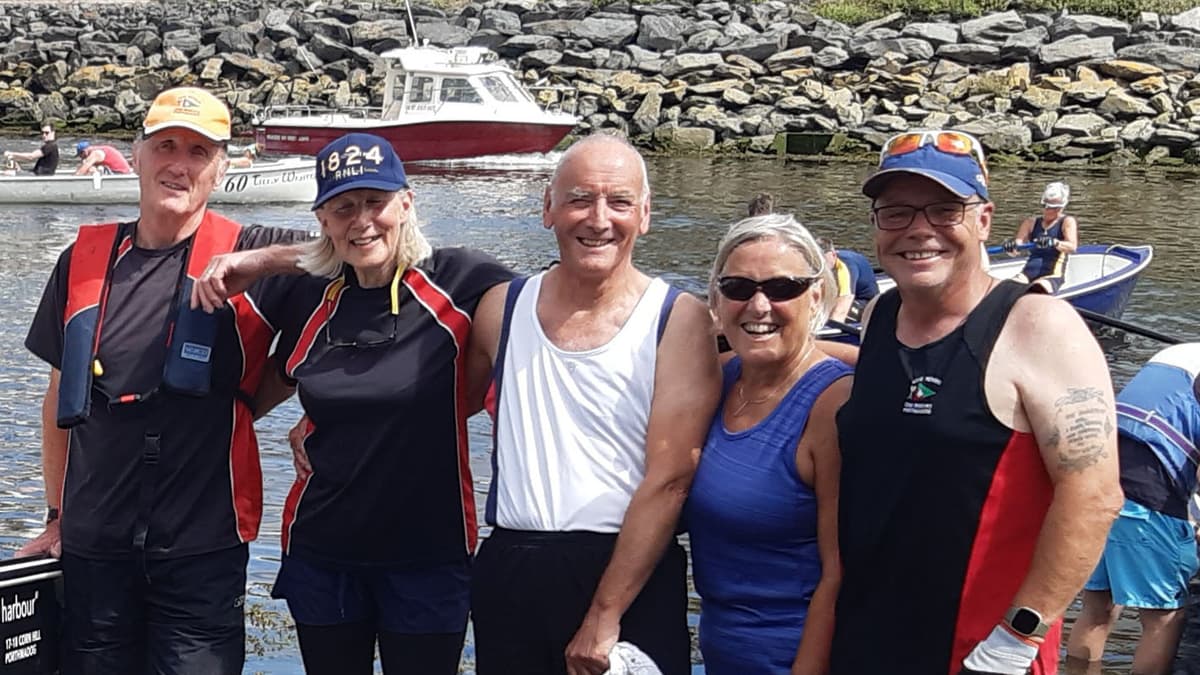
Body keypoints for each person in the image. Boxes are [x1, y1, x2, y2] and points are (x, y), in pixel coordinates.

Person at [191, 131, 515, 674]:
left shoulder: (460, 284)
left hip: (428, 556)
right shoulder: (318, 300)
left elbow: (550, 319)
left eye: (375, 203)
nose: (361, 220)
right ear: (322, 218)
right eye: (342, 207)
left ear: (406, 203)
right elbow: (261, 393)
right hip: (323, 553)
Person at [18, 86, 309, 675]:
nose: (179, 164)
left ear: (221, 167)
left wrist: (267, 396)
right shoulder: (82, 258)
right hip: (95, 543)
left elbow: (361, 260)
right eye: (166, 146)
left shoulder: (249, 254)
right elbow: (58, 398)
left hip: (202, 547)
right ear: (139, 152)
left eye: (199, 152)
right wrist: (56, 516)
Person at [832, 129, 1122, 675]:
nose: (919, 230)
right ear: (875, 226)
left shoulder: (1038, 325)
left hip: (982, 652)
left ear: (984, 220)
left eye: (945, 210)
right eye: (896, 213)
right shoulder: (879, 316)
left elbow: (1095, 496)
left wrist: (1019, 636)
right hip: (867, 633)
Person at [464, 134, 722, 675]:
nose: (599, 219)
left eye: (619, 202)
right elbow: (439, 409)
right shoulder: (500, 308)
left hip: (629, 571)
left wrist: (605, 614)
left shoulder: (677, 319)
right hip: (513, 564)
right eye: (580, 199)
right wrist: (320, 427)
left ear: (645, 215)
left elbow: (673, 477)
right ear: (548, 210)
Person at [685, 214, 851, 674]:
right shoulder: (718, 380)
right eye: (739, 287)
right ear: (717, 297)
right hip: (721, 653)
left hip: (796, 658)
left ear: (816, 295)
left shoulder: (833, 405)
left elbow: (840, 572)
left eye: (783, 288)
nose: (759, 305)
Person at [1066, 343, 1200, 675]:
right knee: (1164, 617)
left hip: (1098, 476)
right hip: (1150, 490)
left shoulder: (1180, 353)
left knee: (1099, 607)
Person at [1003, 181, 1078, 292]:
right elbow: (1017, 248)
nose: (1047, 210)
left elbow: (1072, 247)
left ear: (1060, 208)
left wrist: (1054, 242)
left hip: (1052, 275)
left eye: (1052, 207)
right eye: (1045, 205)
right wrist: (1011, 247)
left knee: (1036, 290)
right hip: (1027, 274)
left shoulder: (1067, 222)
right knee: (1008, 289)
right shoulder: (1030, 223)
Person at [816, 237, 878, 322]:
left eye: (823, 260)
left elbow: (844, 303)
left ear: (833, 255)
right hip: (840, 295)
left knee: (834, 312)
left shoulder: (845, 266)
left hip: (866, 303)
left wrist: (832, 328)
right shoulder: (818, 266)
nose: (820, 266)